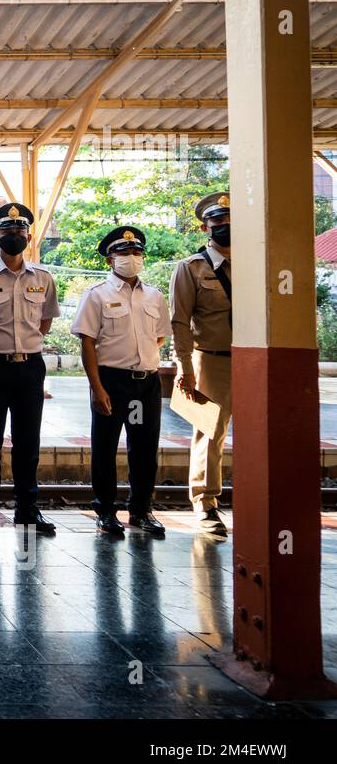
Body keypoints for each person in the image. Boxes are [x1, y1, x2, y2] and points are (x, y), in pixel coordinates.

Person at [72, 226, 172, 539]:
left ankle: (141, 510)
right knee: (105, 447)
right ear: (109, 259)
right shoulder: (98, 294)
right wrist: (97, 387)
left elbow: (159, 336)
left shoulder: (154, 296)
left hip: (145, 384)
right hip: (112, 382)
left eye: (136, 252)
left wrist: (142, 359)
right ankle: (105, 511)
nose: (131, 258)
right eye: (123, 252)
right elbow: (87, 343)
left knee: (144, 447)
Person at [0, 203, 59, 535]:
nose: (15, 237)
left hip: (29, 368)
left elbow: (46, 322)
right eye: (8, 232)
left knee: (28, 440)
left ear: (29, 235)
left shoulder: (43, 278)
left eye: (20, 231)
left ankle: (28, 508)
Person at [170, 192, 232, 538]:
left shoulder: (255, 263)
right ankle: (205, 503)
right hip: (210, 360)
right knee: (209, 434)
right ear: (204, 226)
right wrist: (185, 366)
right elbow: (179, 321)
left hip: (251, 361)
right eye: (217, 220)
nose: (224, 225)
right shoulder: (190, 268)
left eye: (229, 219)